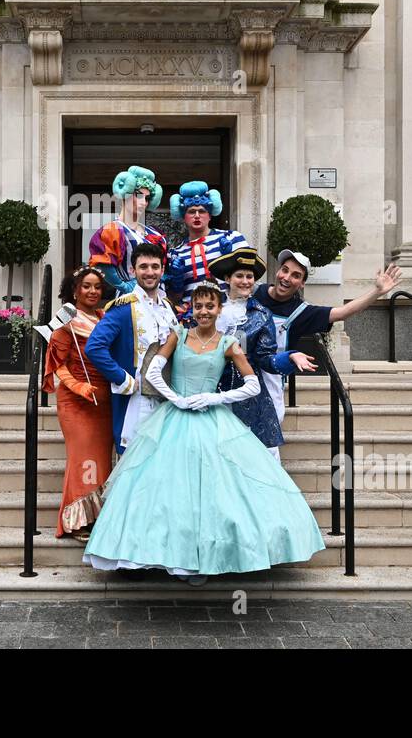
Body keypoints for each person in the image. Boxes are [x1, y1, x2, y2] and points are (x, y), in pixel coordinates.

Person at [83, 282, 326, 582]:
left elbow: (252, 384)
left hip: (213, 417)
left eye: (210, 306)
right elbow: (153, 372)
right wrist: (175, 399)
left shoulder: (229, 343)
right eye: (198, 306)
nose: (204, 311)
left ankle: (212, 556)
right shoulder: (178, 335)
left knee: (214, 491)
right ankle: (159, 554)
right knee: (167, 490)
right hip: (174, 417)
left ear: (219, 309)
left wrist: (216, 398)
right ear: (192, 309)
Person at [251, 249, 405, 450]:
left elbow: (342, 312)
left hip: (270, 383)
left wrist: (377, 291)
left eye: (296, 275)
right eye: (285, 270)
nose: (287, 278)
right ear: (278, 271)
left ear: (302, 283)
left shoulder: (302, 312)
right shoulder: (254, 292)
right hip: (238, 375)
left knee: (264, 448)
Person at [211, 246, 316, 460]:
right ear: (227, 278)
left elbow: (265, 358)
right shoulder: (210, 308)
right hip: (213, 393)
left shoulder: (261, 315)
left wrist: (290, 357)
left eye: (250, 276)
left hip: (248, 397)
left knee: (258, 457)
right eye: (239, 276)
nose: (245, 281)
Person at [84, 241, 179, 454]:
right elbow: (94, 347)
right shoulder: (123, 308)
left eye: (155, 267)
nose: (150, 272)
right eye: (143, 267)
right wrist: (124, 379)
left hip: (168, 397)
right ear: (132, 270)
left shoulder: (168, 308)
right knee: (134, 461)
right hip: (137, 400)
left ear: (162, 271)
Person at [42, 266, 114, 541]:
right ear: (75, 290)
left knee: (101, 461)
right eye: (86, 286)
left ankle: (96, 516)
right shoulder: (65, 322)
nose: (92, 291)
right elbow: (57, 363)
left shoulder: (106, 318)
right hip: (76, 401)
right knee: (83, 459)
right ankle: (76, 521)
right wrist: (78, 386)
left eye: (97, 286)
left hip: (104, 399)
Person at [165, 180, 251, 319]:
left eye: (202, 211)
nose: (197, 215)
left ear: (210, 214)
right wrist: (177, 282)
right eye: (192, 211)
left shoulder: (232, 238)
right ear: (183, 217)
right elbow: (174, 298)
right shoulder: (175, 253)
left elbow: (248, 280)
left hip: (229, 315)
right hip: (194, 319)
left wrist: (231, 262)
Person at [87, 165, 167, 299]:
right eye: (139, 196)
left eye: (147, 198)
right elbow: (103, 263)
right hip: (130, 299)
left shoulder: (154, 233)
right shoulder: (113, 230)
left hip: (158, 297)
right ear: (126, 193)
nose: (144, 202)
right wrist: (123, 286)